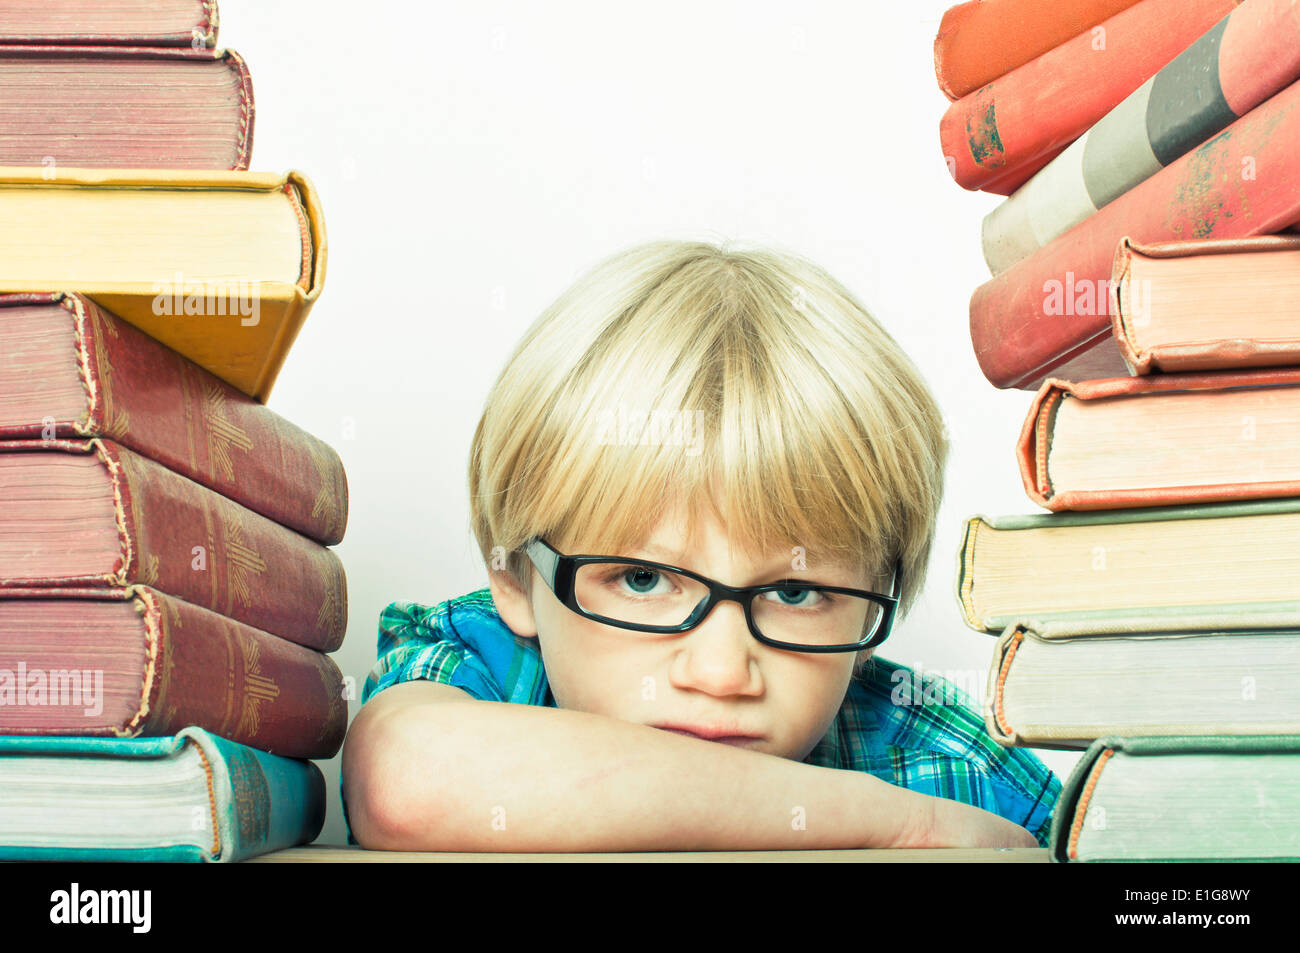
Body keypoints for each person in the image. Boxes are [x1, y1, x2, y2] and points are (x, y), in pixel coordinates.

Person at [341, 239, 1059, 851]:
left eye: (795, 592)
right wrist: (890, 824)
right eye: (645, 580)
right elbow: (402, 782)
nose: (720, 673)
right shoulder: (485, 669)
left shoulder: (951, 765)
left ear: (876, 611)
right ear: (518, 577)